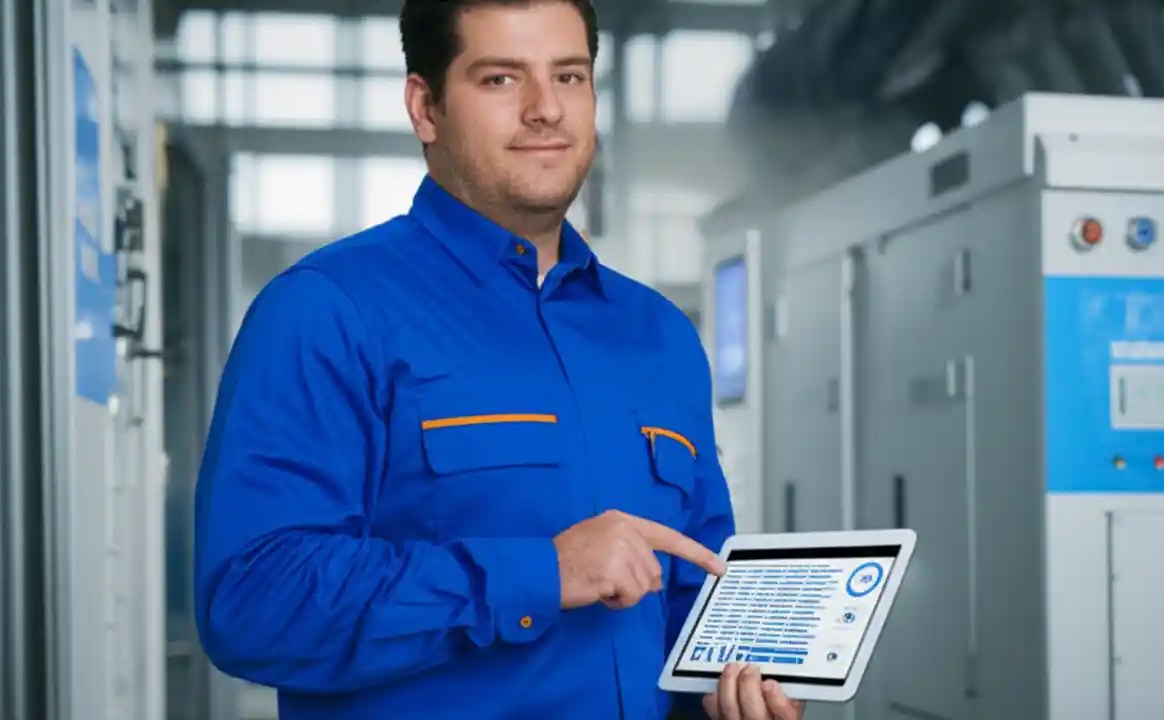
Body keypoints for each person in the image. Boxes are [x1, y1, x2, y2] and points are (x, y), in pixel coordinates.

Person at [193, 1, 805, 718]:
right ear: (426, 107)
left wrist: (728, 696)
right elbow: (252, 600)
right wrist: (540, 574)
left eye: (570, 76)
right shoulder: (327, 311)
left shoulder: (660, 336)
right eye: (501, 80)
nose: (547, 109)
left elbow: (691, 602)